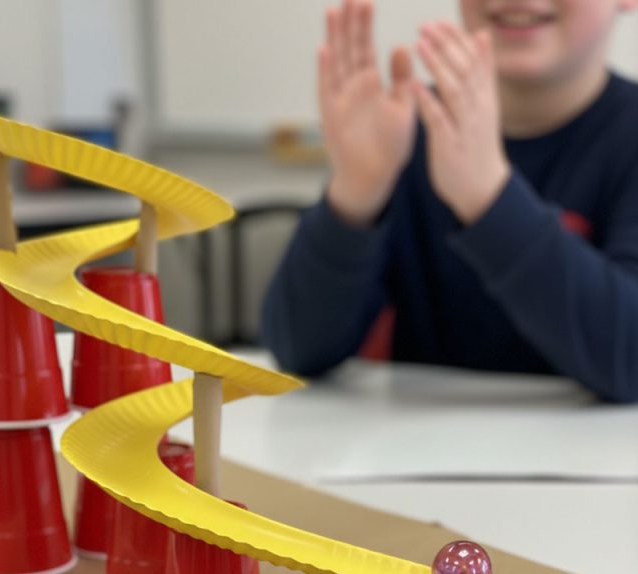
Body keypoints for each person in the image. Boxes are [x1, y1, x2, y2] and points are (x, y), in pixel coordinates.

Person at [260, 0, 638, 402]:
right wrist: (355, 196)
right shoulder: (400, 131)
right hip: (409, 454)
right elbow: (297, 350)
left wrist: (491, 199)